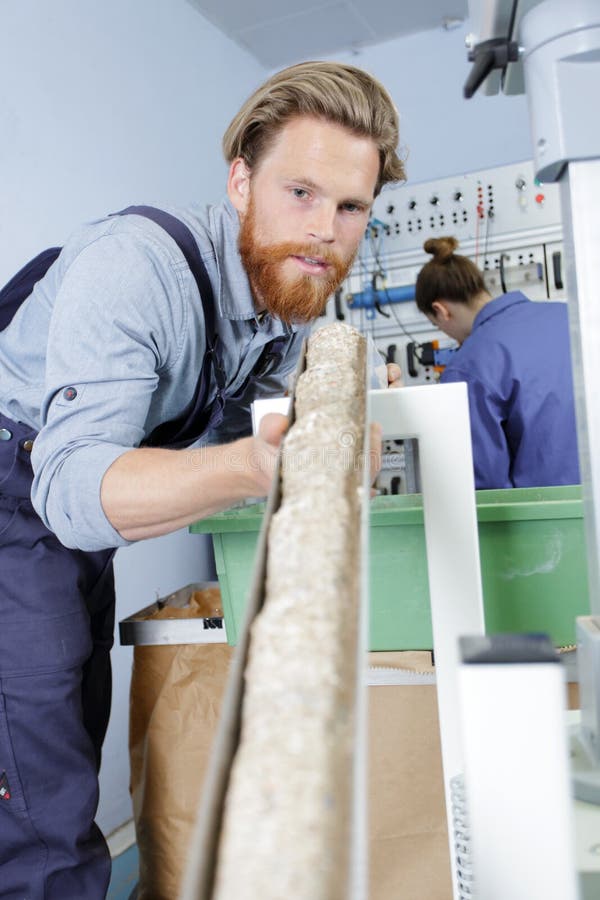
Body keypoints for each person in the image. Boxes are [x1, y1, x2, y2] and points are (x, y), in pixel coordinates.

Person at [0, 61, 404, 898]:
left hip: (69, 532)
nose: (326, 229)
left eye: (351, 206)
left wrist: (322, 435)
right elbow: (75, 491)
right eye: (301, 192)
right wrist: (260, 466)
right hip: (21, 500)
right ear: (240, 180)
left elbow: (239, 431)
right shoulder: (136, 267)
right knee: (42, 812)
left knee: (68, 729)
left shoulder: (280, 301)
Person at [414, 236, 580, 489]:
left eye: (437, 325)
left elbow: (485, 486)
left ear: (441, 311)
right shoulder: (570, 315)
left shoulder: (467, 367)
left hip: (548, 521)